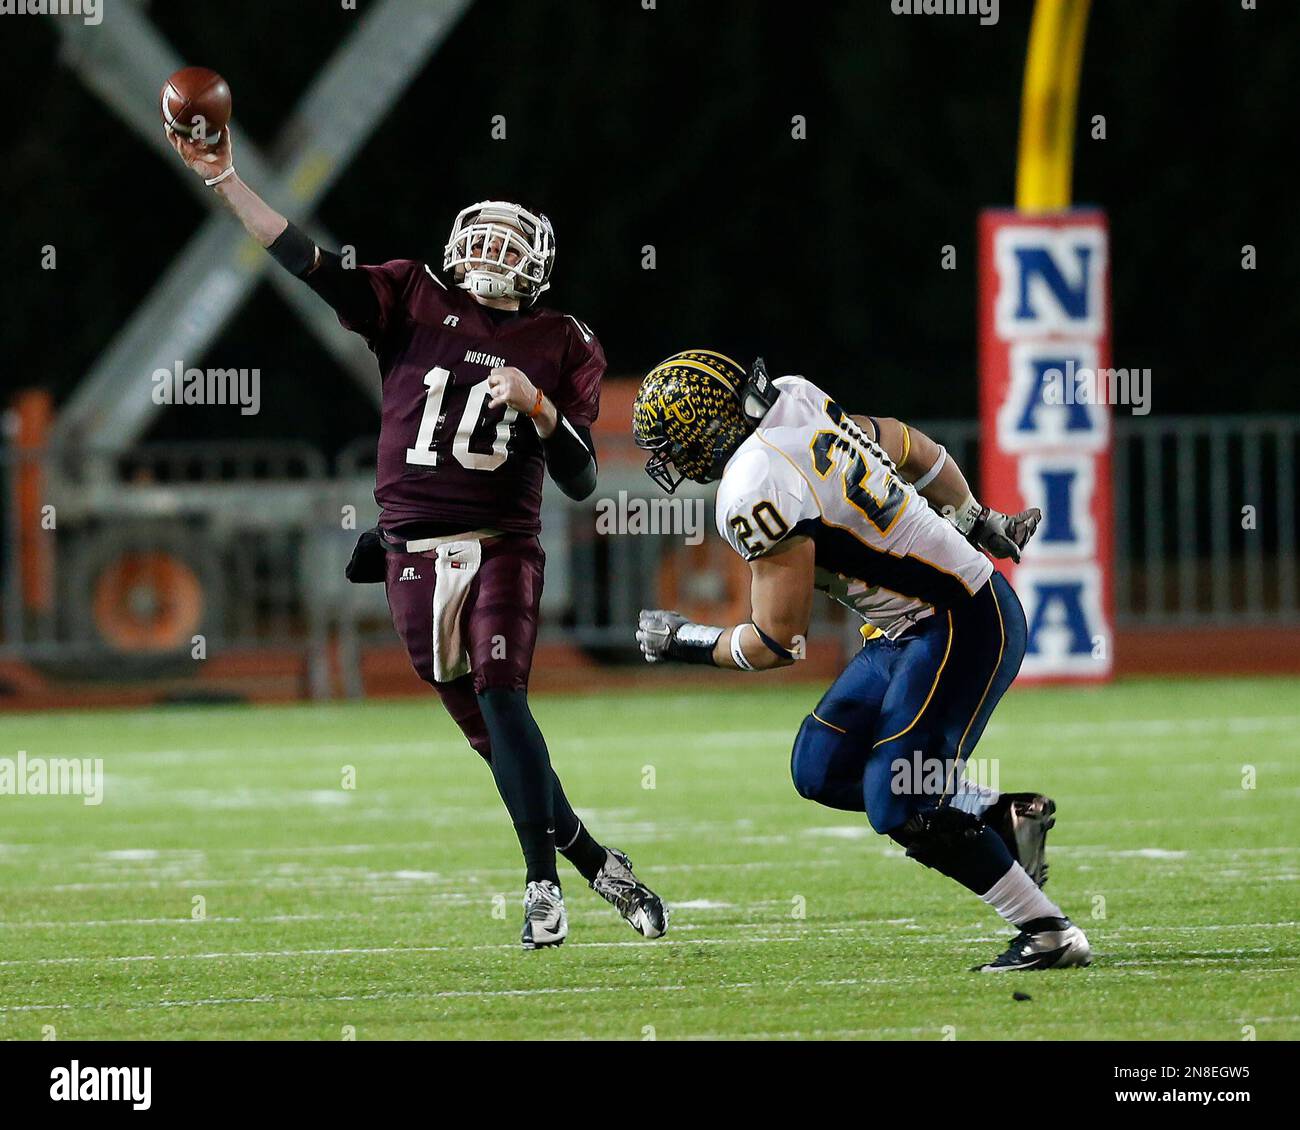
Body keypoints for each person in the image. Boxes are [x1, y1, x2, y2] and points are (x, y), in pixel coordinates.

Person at [167, 124, 667, 950]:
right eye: (485, 236)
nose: (492, 251)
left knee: (505, 695)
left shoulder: (564, 342)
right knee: (496, 742)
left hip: (504, 542)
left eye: (511, 242)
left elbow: (579, 475)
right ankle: (597, 863)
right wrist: (225, 180)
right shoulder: (410, 296)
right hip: (411, 555)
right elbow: (305, 261)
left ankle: (543, 890)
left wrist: (539, 407)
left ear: (538, 264)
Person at [631, 350, 1088, 971]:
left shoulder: (752, 488)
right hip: (911, 627)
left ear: (705, 434)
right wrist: (975, 518)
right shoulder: (794, 398)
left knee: (895, 801)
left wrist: (681, 640)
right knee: (820, 768)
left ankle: (1047, 931)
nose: (671, 460)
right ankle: (994, 813)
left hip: (959, 621)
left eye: (673, 443)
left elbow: (776, 642)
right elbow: (910, 446)